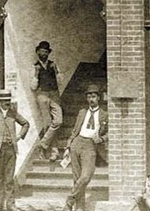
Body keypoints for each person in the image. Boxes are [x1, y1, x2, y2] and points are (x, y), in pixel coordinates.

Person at [61, 83, 107, 211]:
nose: (91, 99)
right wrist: (68, 147)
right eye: (89, 97)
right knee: (77, 179)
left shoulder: (104, 114)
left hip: (90, 145)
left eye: (93, 96)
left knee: (86, 176)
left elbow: (111, 132)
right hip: (77, 143)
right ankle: (80, 207)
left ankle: (69, 201)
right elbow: (75, 130)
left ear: (98, 98)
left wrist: (102, 138)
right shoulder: (82, 112)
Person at [32, 40, 64, 162]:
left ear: (48, 53)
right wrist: (36, 72)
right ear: (38, 52)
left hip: (54, 94)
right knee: (47, 124)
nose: (44, 54)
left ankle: (43, 143)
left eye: (46, 52)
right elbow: (33, 87)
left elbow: (60, 81)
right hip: (42, 95)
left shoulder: (53, 64)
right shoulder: (35, 66)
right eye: (42, 51)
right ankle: (54, 152)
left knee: (58, 121)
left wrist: (56, 70)